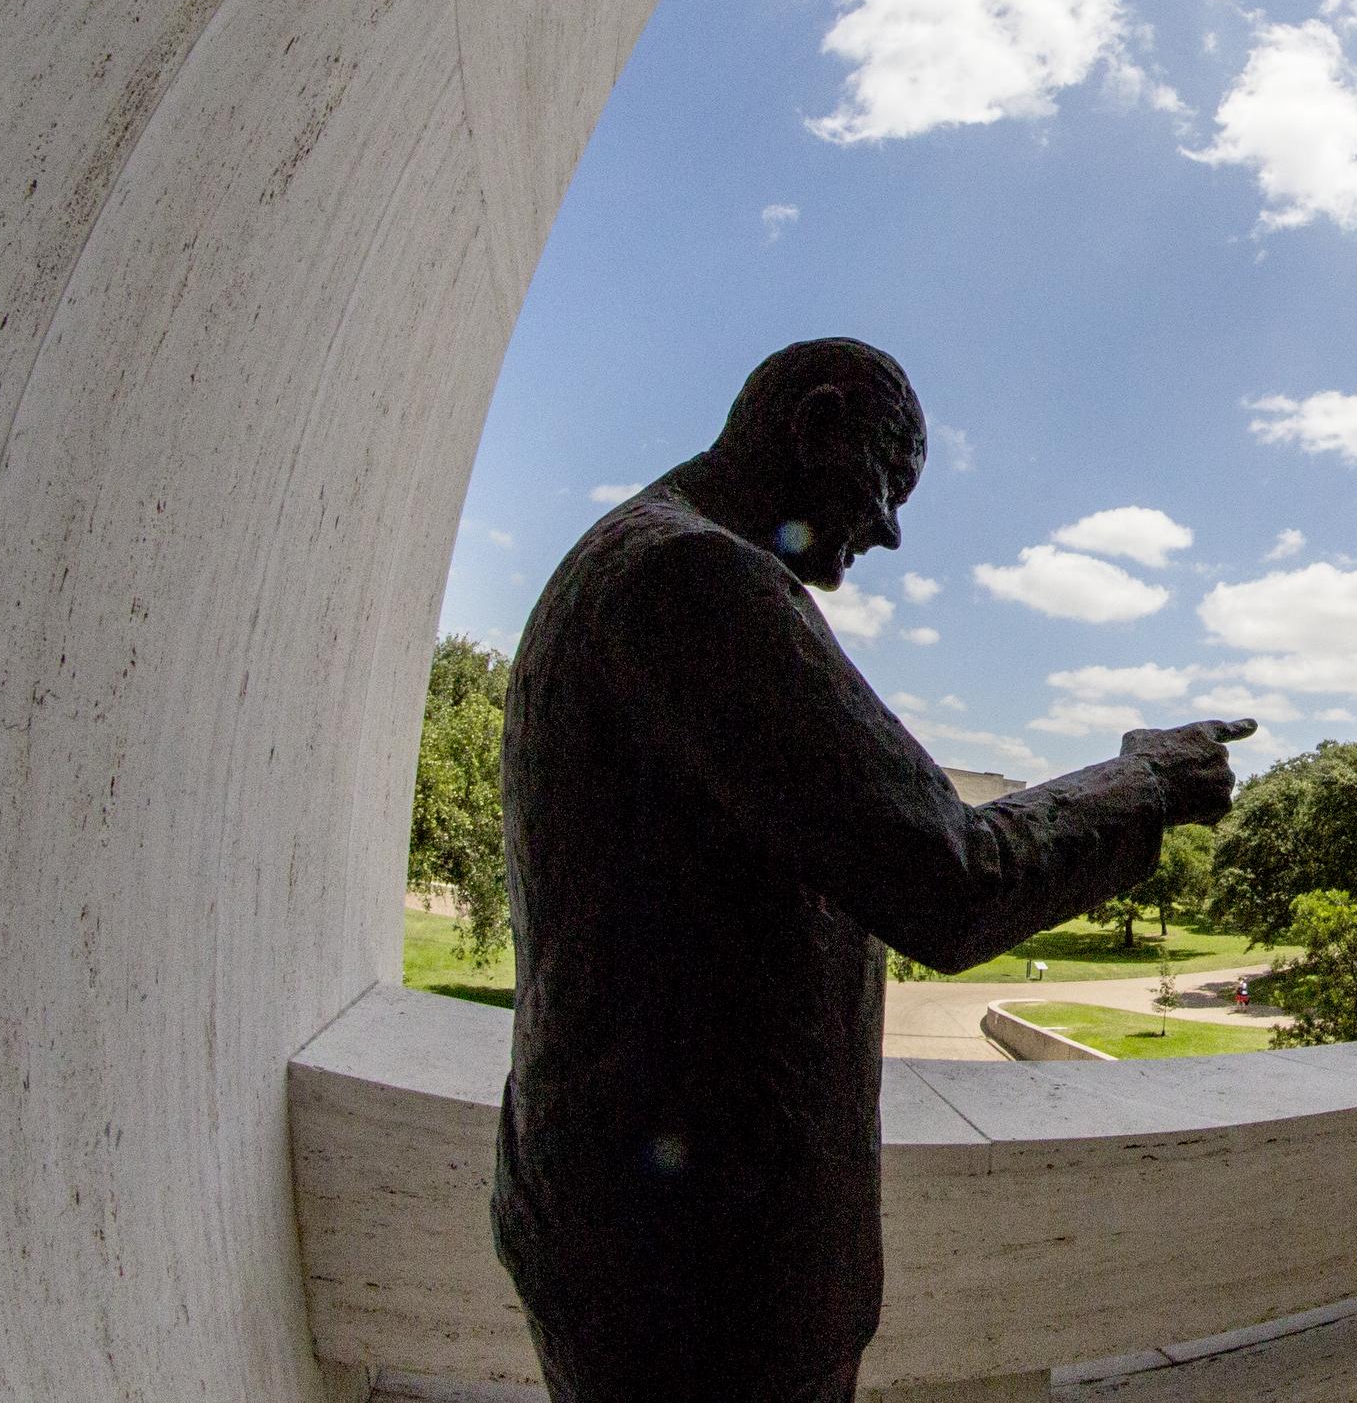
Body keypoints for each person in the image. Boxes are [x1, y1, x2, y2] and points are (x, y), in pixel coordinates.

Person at [492, 338, 1249, 1403]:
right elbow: (951, 880)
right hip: (702, 1270)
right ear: (814, 425)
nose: (888, 530)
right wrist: (1148, 782)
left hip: (636, 1225)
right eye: (887, 482)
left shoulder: (624, 557)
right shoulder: (695, 578)